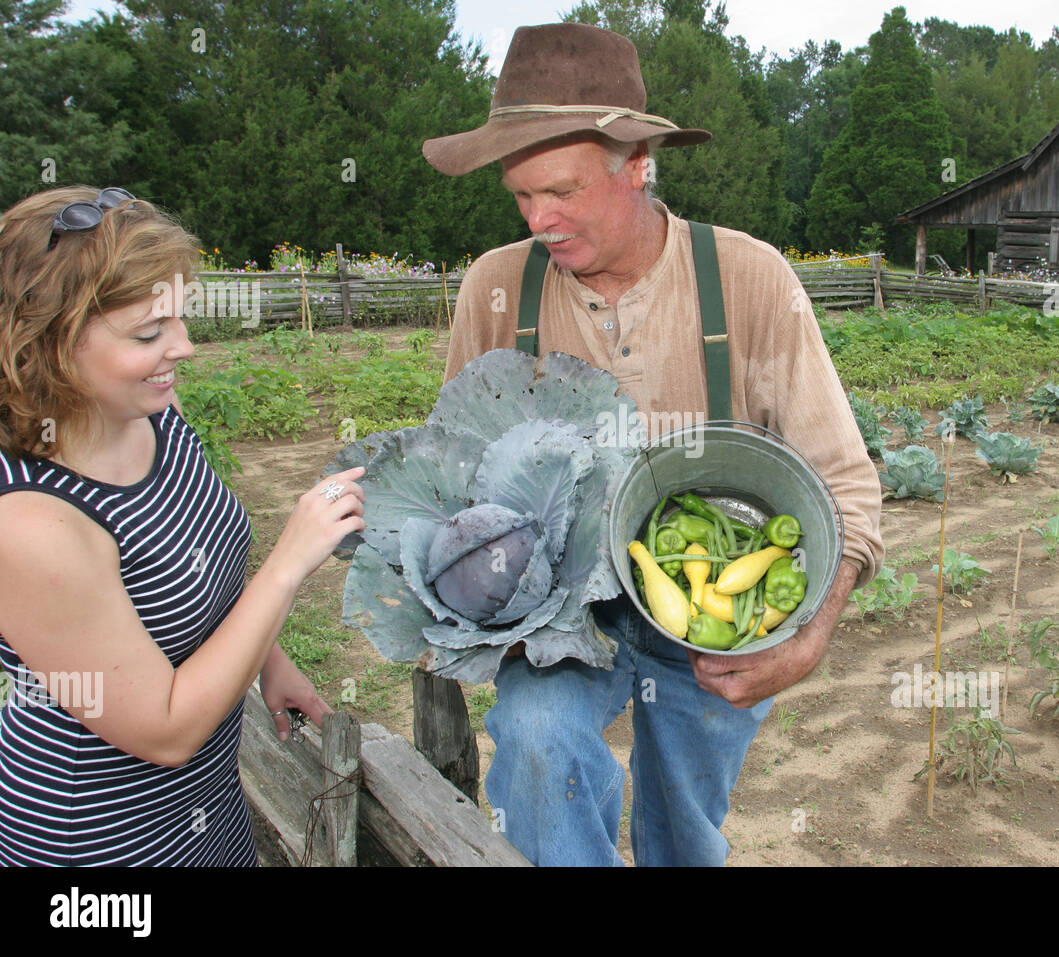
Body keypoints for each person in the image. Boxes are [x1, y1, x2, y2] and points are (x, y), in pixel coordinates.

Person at [423, 22, 884, 866]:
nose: (540, 219)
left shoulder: (749, 279)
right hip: (560, 612)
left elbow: (844, 482)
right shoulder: (494, 288)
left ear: (637, 164)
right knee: (534, 740)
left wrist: (810, 636)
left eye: (561, 190)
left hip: (707, 615)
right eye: (521, 196)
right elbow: (455, 466)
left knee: (683, 827)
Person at [0, 186, 366, 865]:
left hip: (206, 807)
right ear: (47, 340)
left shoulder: (149, 414)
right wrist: (288, 562)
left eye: (180, 319)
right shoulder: (28, 524)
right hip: (102, 847)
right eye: (149, 333)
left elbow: (200, 562)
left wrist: (267, 658)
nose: (185, 348)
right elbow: (165, 728)